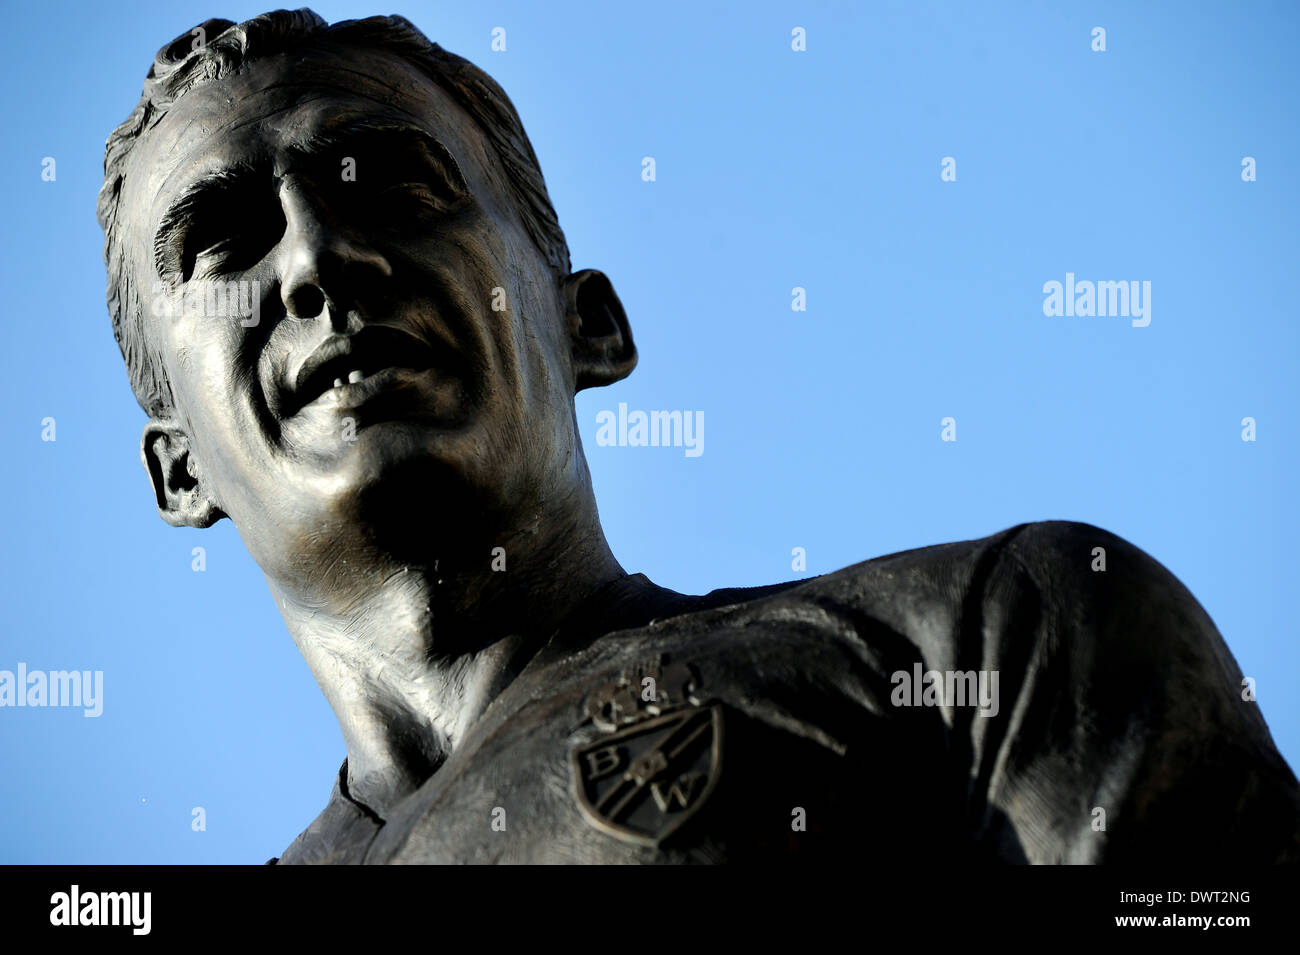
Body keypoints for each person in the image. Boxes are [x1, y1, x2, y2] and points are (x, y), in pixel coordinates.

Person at [97, 9, 1300, 863]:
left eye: (394, 185)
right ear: (177, 468)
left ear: (590, 328)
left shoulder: (990, 634)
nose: (315, 257)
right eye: (220, 241)